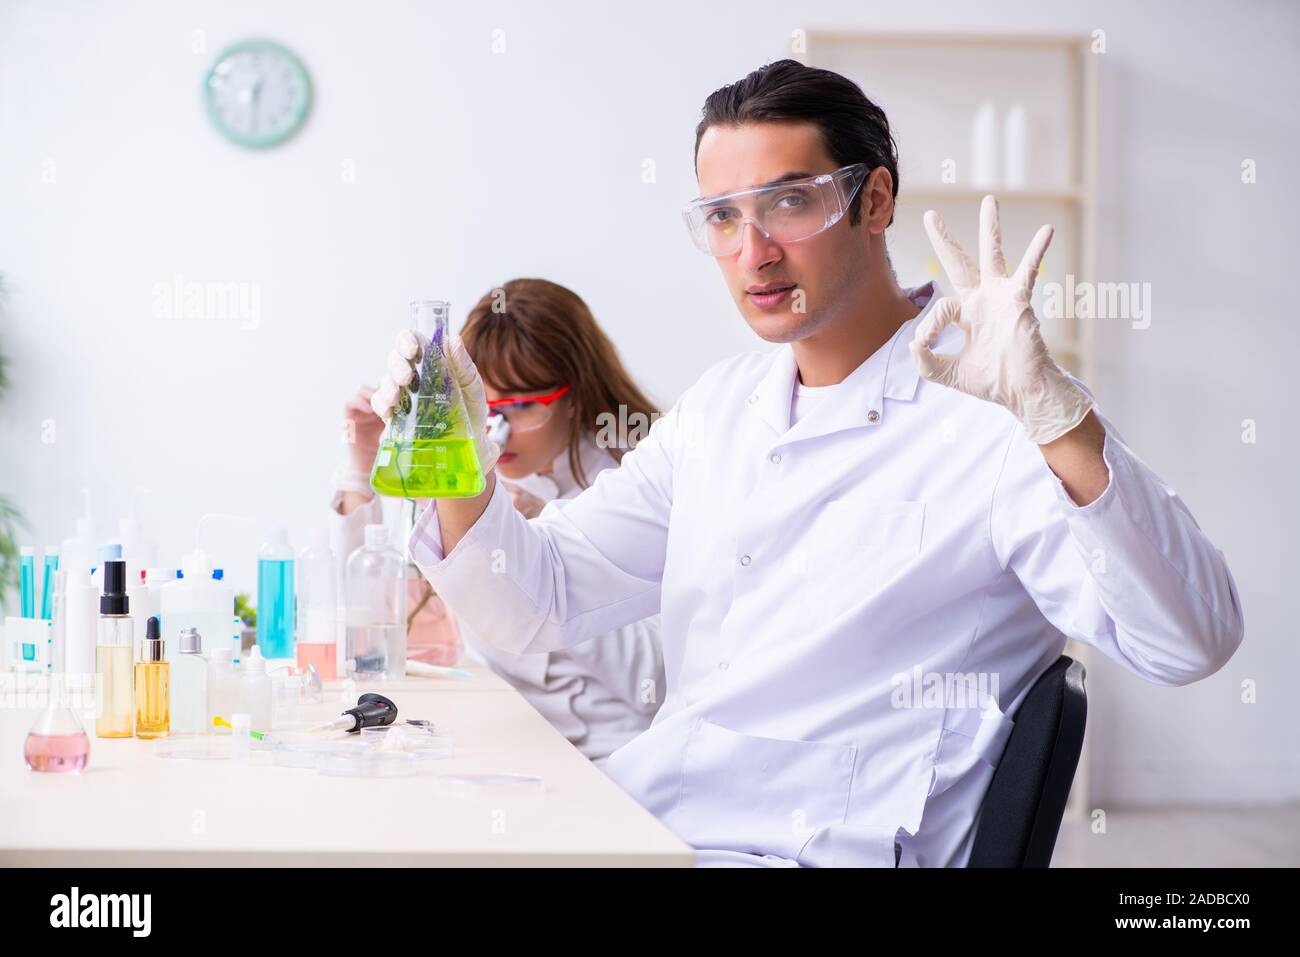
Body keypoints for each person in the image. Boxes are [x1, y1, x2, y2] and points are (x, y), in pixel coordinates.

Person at [374, 61, 1244, 867]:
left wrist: (1062, 423)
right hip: (662, 825)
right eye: (722, 216)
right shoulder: (721, 409)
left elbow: (1190, 640)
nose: (753, 252)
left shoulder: (997, 418)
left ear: (874, 202)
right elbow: (543, 596)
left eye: (787, 204)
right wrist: (457, 456)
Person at [333, 279, 665, 765]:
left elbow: (655, 678)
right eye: (485, 406)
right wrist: (359, 466)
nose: (498, 431)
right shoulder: (468, 479)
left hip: (611, 757)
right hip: (506, 734)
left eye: (525, 405)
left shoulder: (634, 484)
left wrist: (546, 559)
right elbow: (370, 597)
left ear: (575, 396)